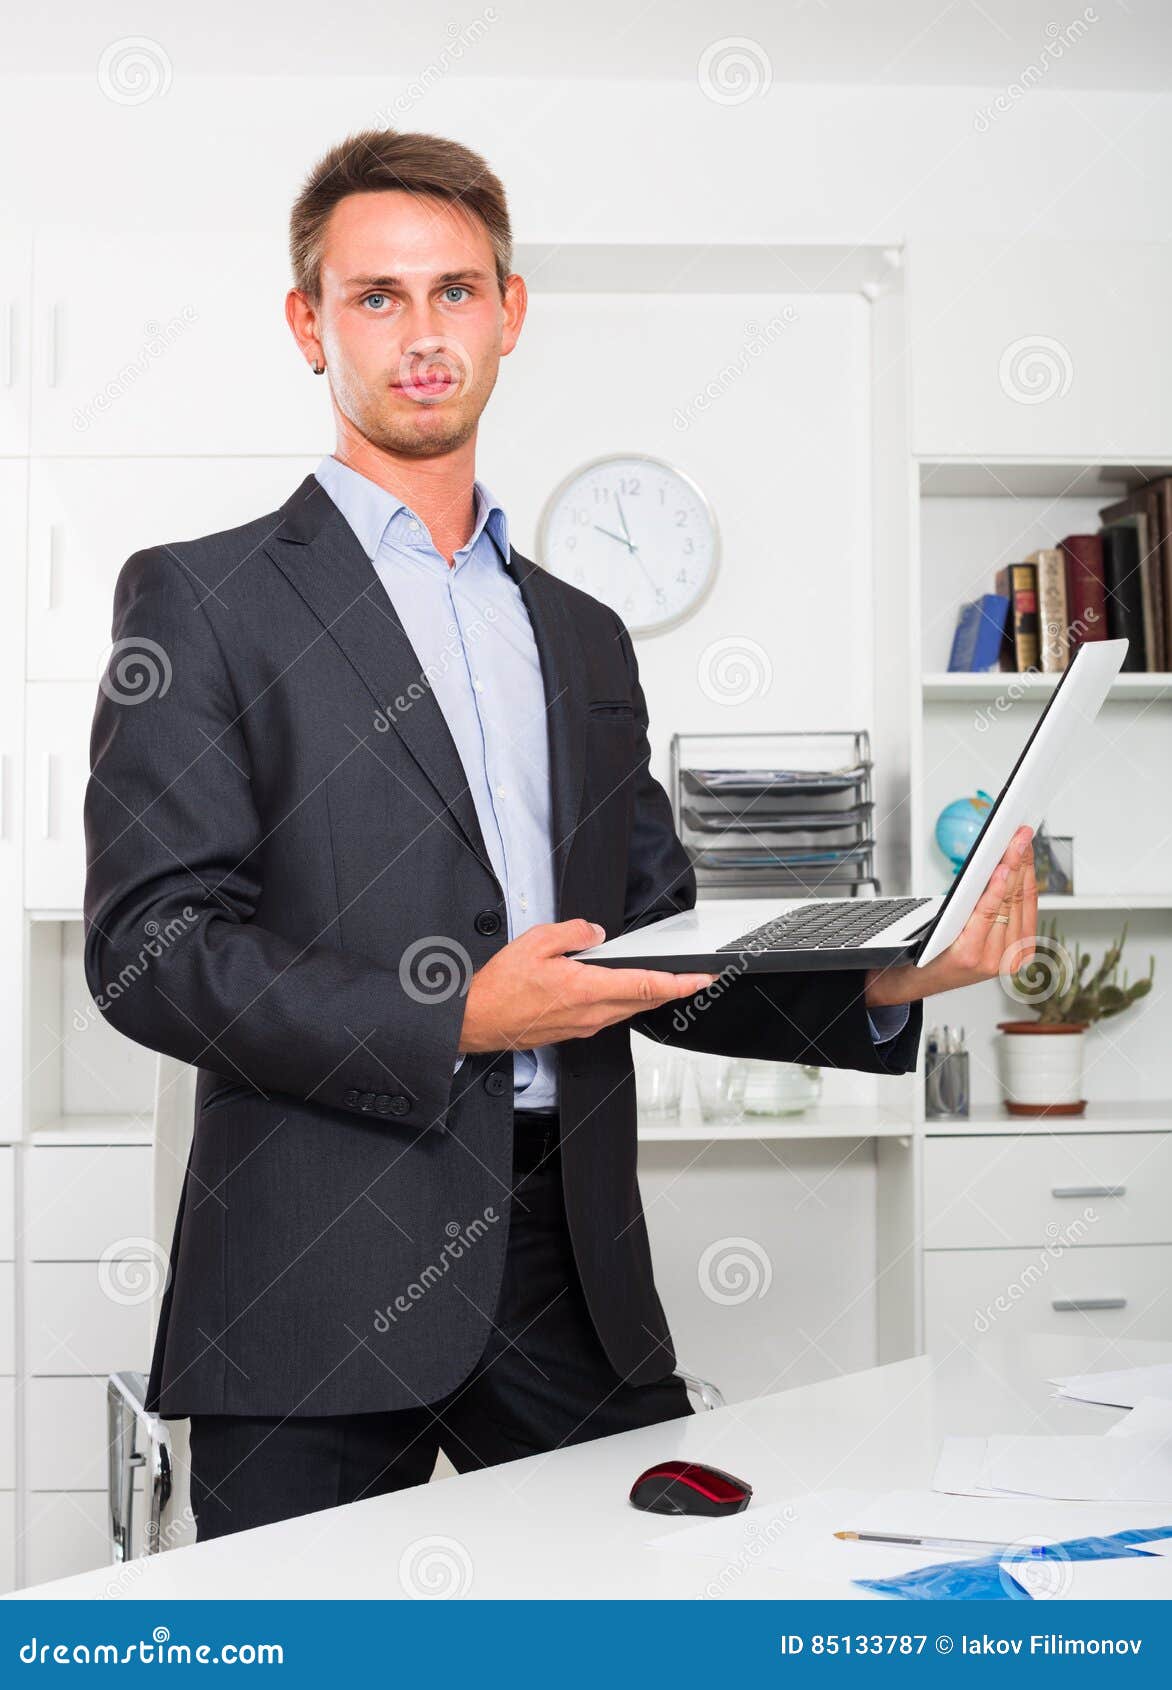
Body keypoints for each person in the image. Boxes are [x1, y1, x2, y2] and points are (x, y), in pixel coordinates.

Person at [82, 128, 1037, 1540]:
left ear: (509, 313)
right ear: (309, 324)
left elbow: (663, 953)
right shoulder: (203, 601)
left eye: (456, 292)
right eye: (376, 297)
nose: (422, 335)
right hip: (312, 1274)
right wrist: (456, 1016)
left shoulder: (583, 635)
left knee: (658, 1620)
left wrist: (901, 977)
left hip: (571, 1273)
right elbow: (149, 951)